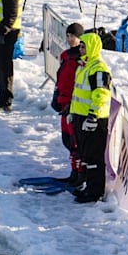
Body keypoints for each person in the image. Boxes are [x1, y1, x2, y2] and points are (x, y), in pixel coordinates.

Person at [69, 27, 113, 204]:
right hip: (80, 117)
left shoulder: (98, 68)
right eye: (80, 47)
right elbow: (78, 93)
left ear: (93, 47)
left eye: (83, 47)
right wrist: (73, 112)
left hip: (93, 119)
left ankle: (95, 192)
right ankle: (88, 186)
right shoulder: (83, 66)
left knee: (94, 157)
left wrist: (93, 115)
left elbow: (101, 93)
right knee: (85, 156)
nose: (80, 50)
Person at [51, 22, 85, 182]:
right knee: (67, 139)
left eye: (74, 36)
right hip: (64, 101)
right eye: (68, 36)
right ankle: (73, 171)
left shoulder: (81, 58)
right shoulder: (65, 55)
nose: (70, 39)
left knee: (75, 140)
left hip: (75, 103)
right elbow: (60, 77)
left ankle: (80, 173)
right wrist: (56, 94)